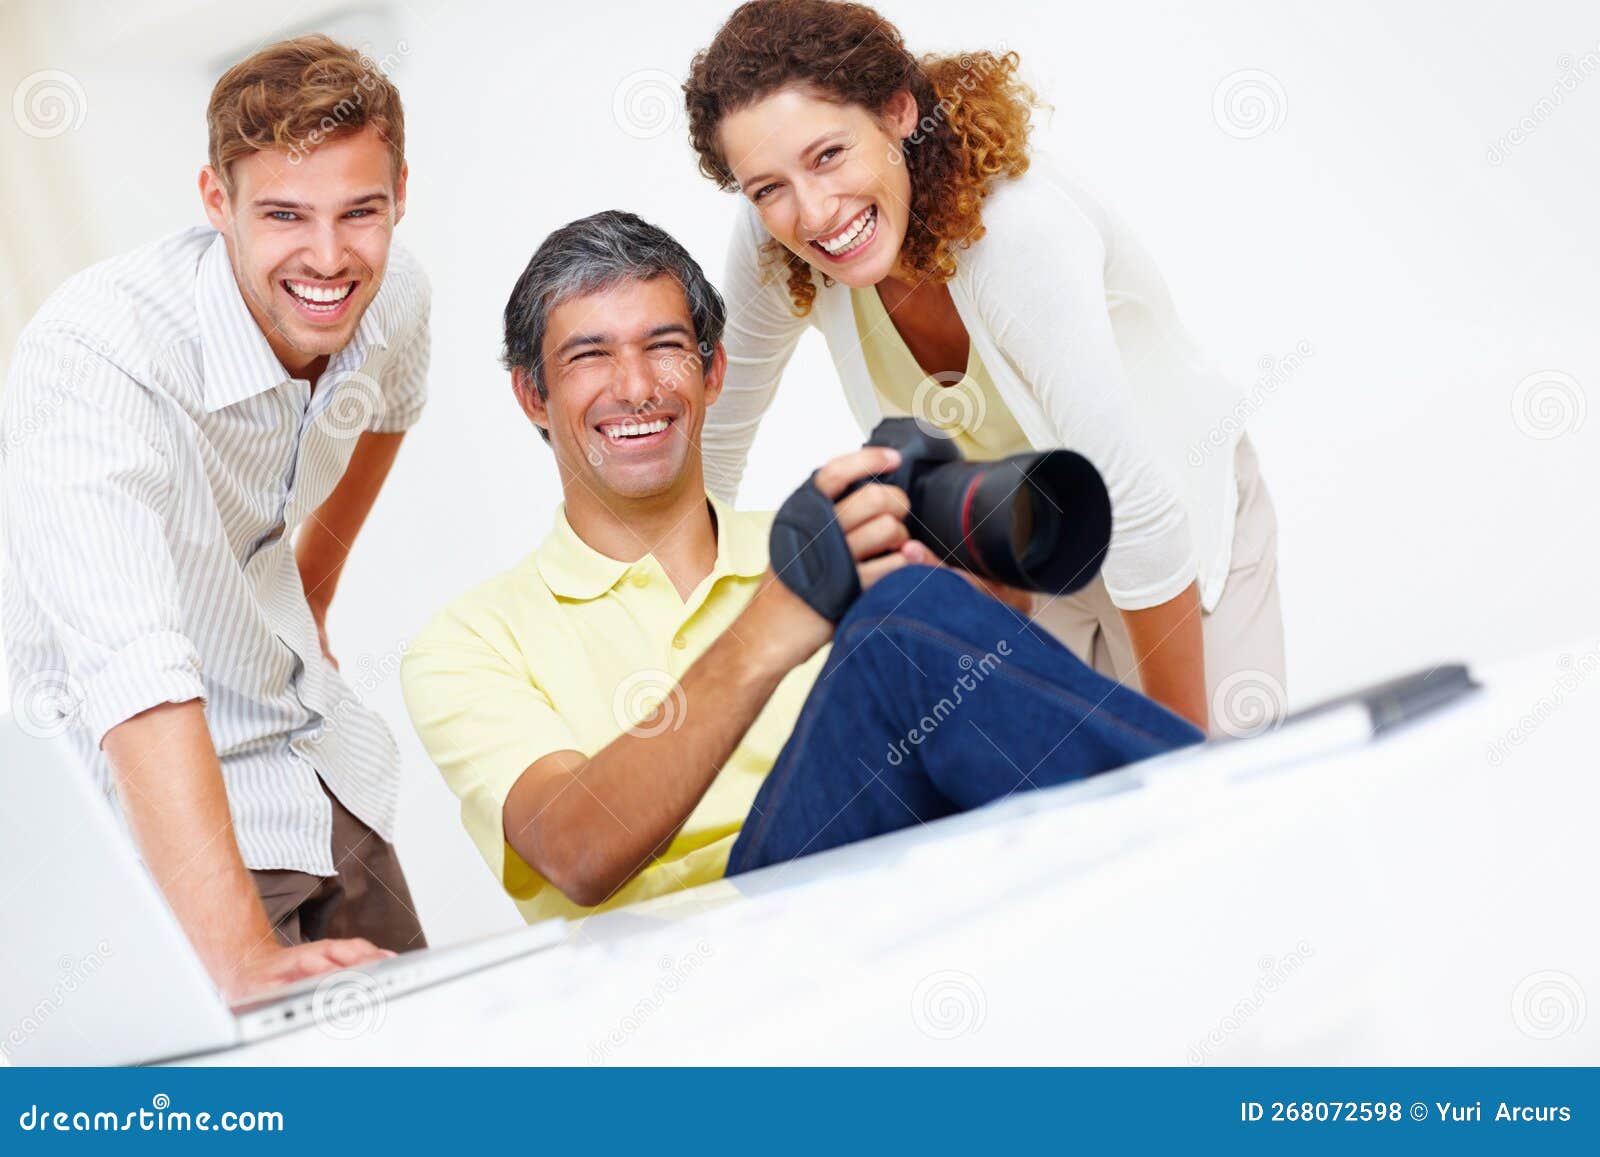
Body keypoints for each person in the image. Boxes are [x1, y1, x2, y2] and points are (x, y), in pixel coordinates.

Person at [400, 210, 1201, 925]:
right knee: (899, 627)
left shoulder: (834, 538)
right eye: (590, 355)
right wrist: (778, 620)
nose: (637, 386)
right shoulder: (470, 640)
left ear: (714, 372)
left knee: (912, 614)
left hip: (912, 907)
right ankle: (1217, 818)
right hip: (701, 980)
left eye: (665, 347)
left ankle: (1191, 853)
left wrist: (970, 592)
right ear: (532, 395)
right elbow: (577, 850)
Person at [683, 0, 1286, 734]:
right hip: (1035, 549)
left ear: (898, 112)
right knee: (1057, 793)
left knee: (1212, 779)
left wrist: (1177, 758)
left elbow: (1139, 505)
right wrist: (678, 649)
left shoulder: (1019, 234)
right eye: (767, 187)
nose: (811, 213)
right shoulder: (776, 238)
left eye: (829, 154)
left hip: (1171, 526)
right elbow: (716, 446)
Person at [1, 36, 430, 999]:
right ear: (214, 200)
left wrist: (313, 594)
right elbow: (132, 669)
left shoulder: (394, 293)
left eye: (359, 212)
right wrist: (240, 958)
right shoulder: (96, 354)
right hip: (167, 815)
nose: (329, 257)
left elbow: (392, 400)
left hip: (320, 764)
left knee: (438, 1055)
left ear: (401, 194)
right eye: (283, 215)